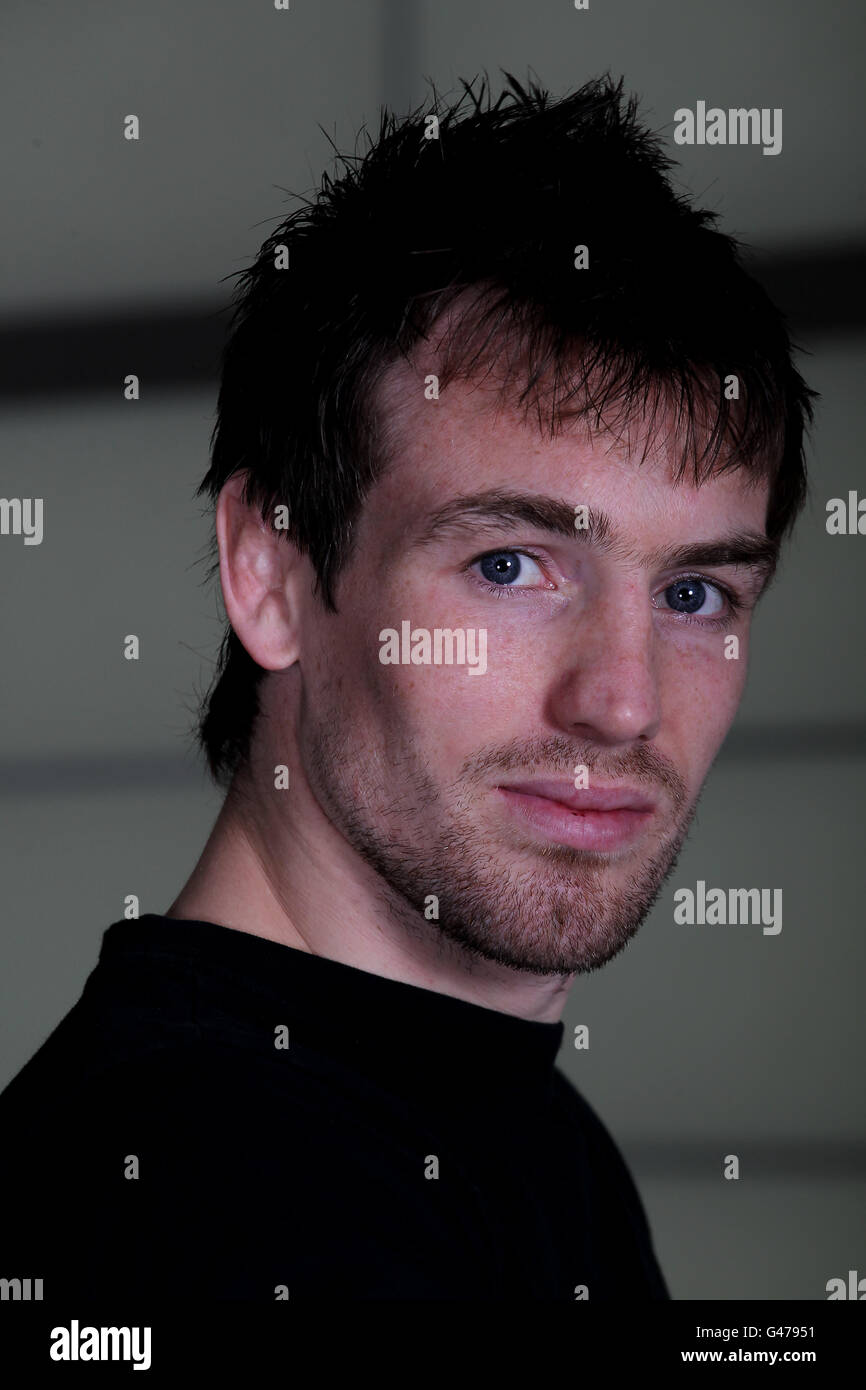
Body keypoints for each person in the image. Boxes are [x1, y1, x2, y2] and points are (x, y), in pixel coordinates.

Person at [0, 72, 814, 1301]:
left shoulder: (515, 1131)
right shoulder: (202, 1194)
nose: (622, 702)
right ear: (269, 572)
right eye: (508, 564)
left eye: (693, 593)